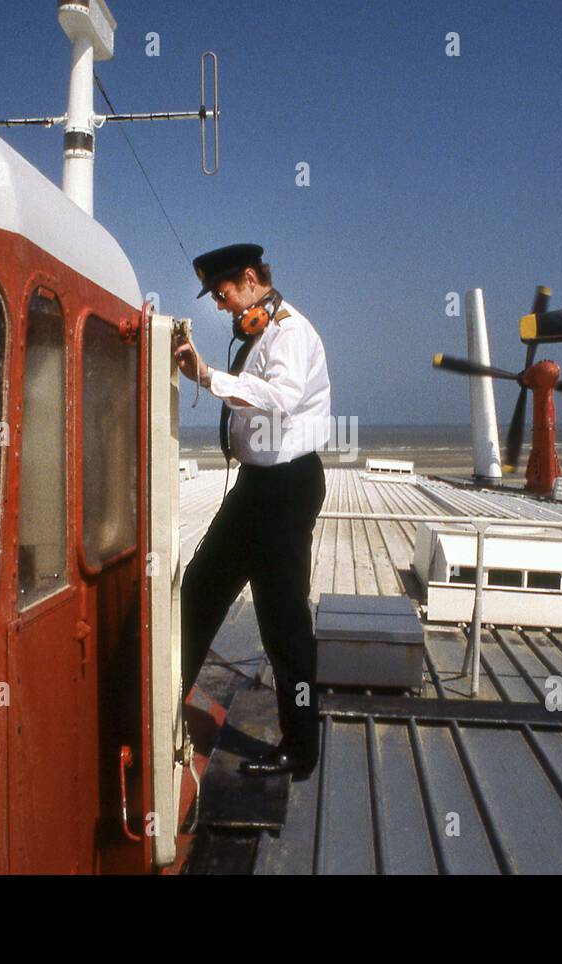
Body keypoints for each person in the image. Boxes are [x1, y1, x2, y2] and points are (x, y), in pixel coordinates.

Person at [174, 243, 331, 778]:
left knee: (284, 625)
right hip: (255, 488)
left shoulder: (290, 332)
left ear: (249, 279)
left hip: (285, 490)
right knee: (198, 590)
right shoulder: (263, 331)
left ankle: (302, 749)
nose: (219, 306)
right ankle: (164, 704)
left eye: (221, 295)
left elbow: (280, 399)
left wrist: (207, 376)